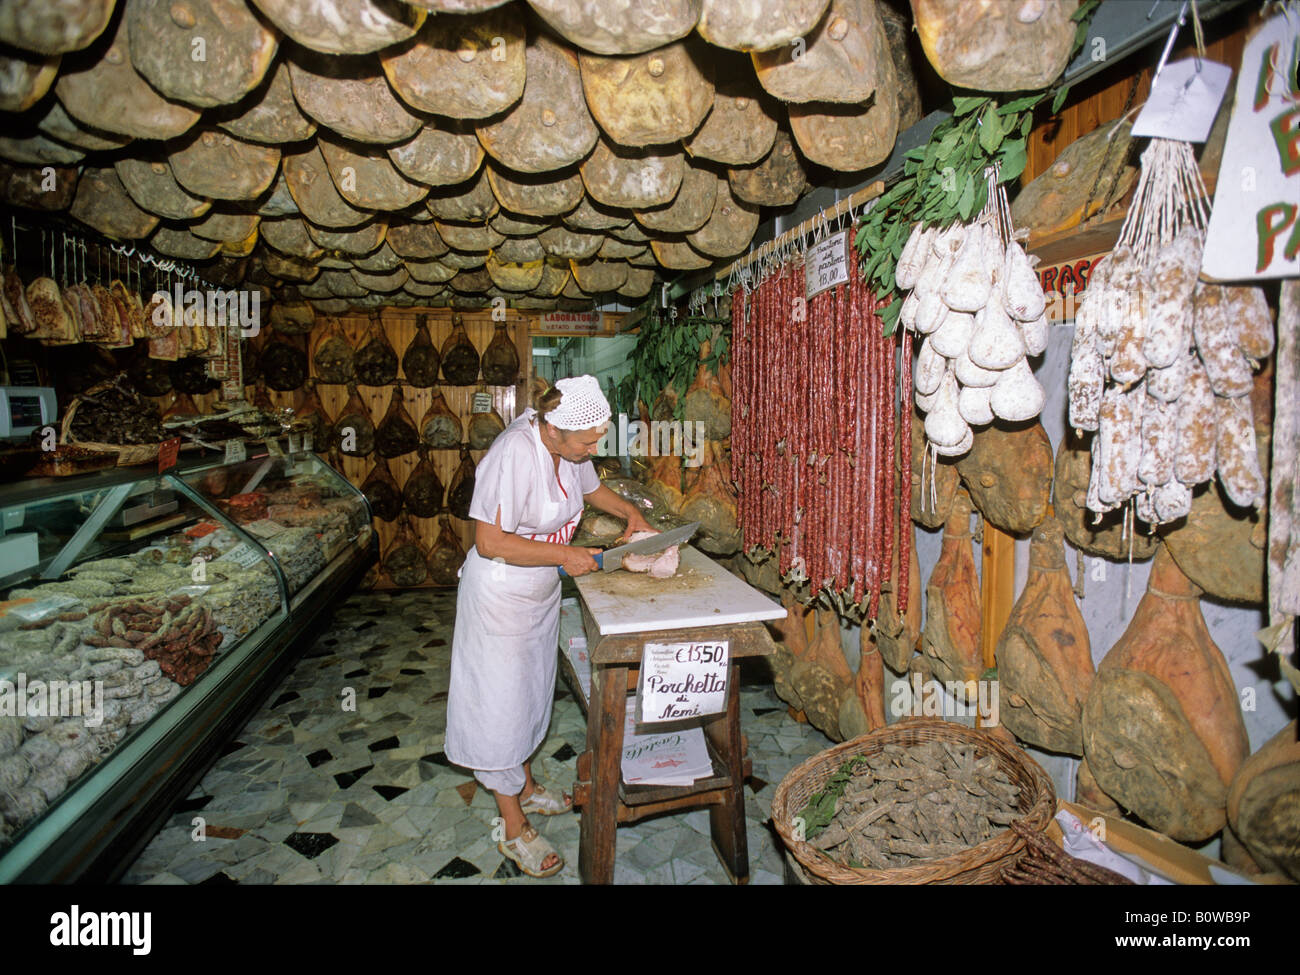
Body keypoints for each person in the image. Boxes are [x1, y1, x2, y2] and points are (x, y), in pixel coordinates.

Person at [444, 375, 655, 877]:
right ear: (553, 429)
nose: (594, 447)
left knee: (530, 694)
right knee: (499, 706)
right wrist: (566, 553)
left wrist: (632, 516)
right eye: (588, 440)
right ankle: (513, 827)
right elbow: (490, 541)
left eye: (598, 437)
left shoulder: (571, 450)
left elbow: (594, 489)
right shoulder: (512, 453)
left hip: (537, 594)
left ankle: (529, 785)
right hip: (498, 597)